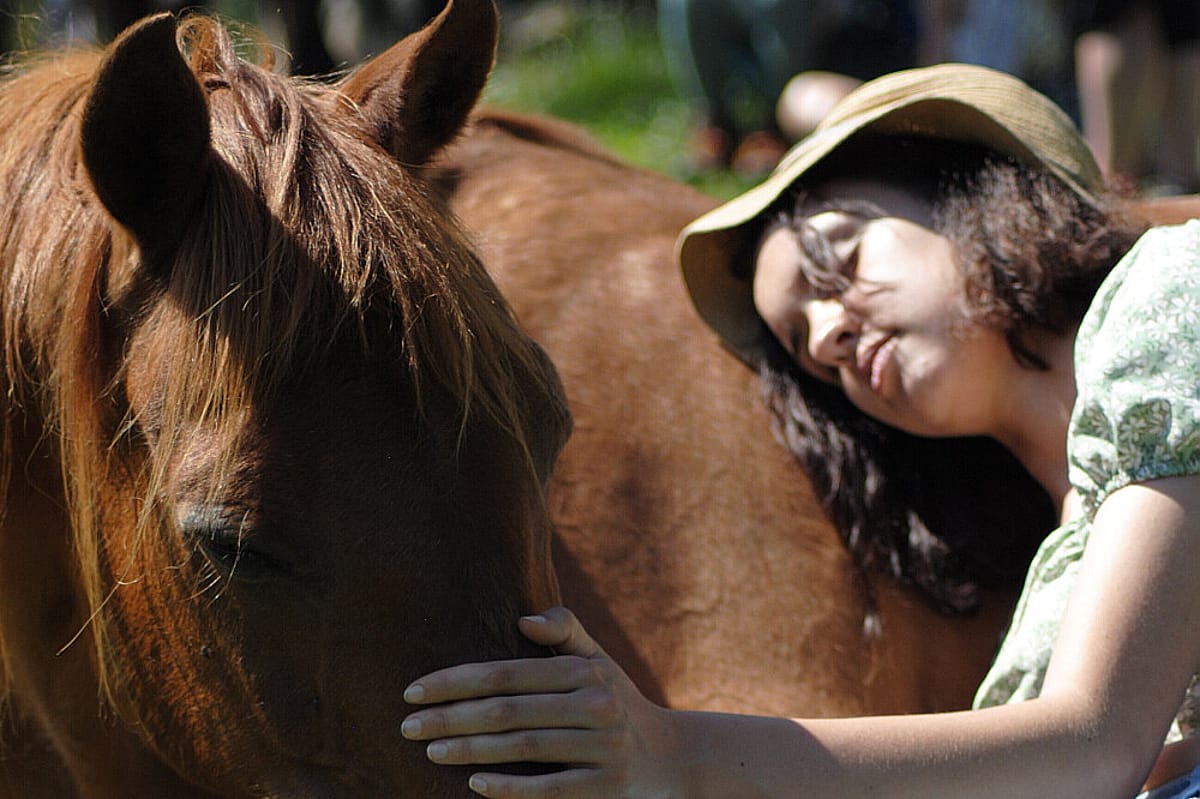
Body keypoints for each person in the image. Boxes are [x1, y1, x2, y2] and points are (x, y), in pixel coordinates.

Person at [399, 63, 1200, 798]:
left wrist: (672, 749)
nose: (826, 336)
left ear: (965, 191)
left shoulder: (1169, 288)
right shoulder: (1061, 567)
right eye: (806, 349)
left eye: (838, 260)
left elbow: (1097, 744)